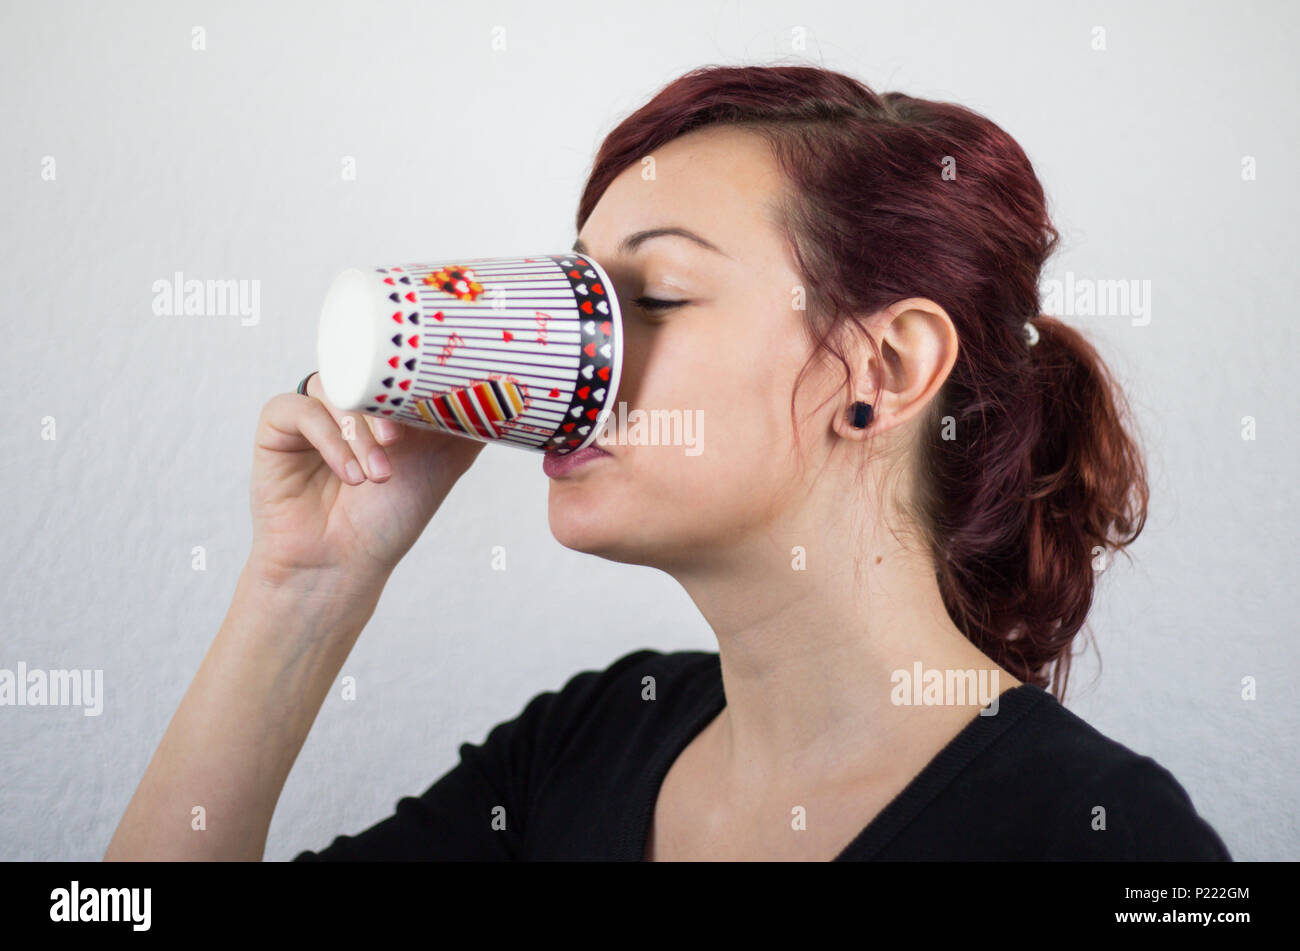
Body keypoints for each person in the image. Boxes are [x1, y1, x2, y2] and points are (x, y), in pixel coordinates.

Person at [104, 63, 1230, 861]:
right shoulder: (581, 746)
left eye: (652, 297)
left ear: (883, 366)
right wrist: (303, 587)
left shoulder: (1098, 834)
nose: (572, 351)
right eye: (576, 293)